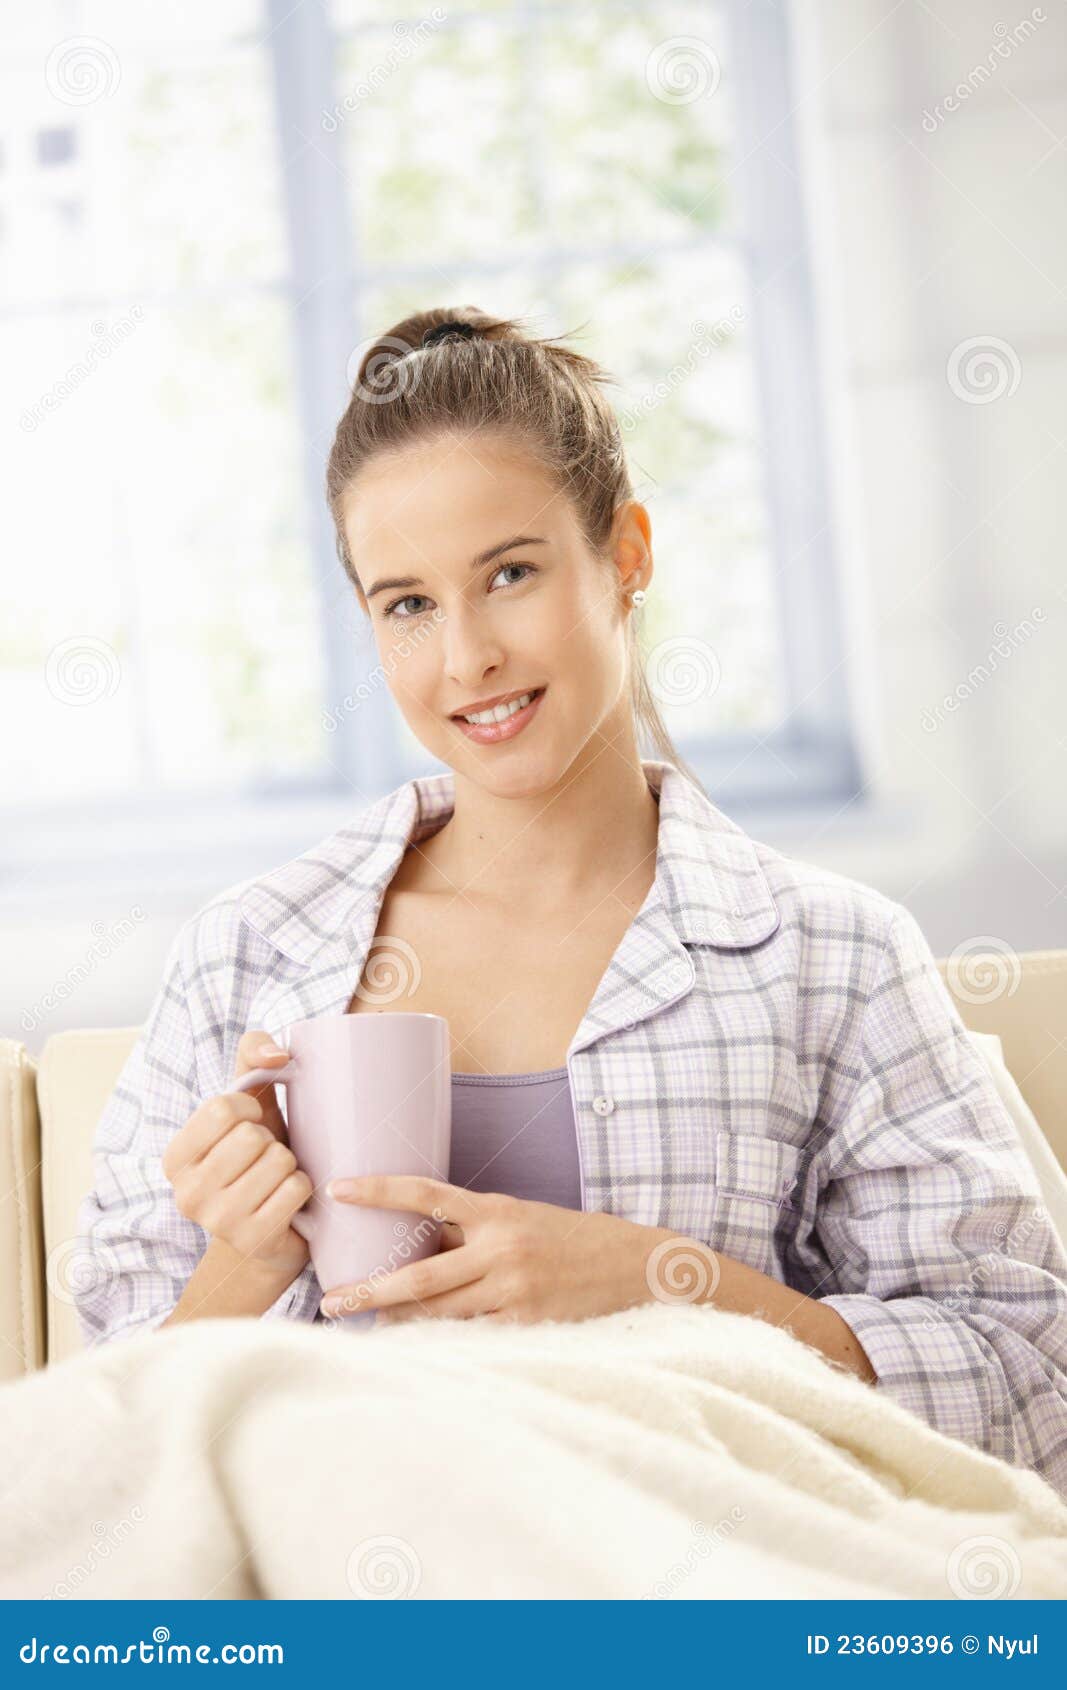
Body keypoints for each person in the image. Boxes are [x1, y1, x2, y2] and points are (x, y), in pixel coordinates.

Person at [75, 308, 1067, 1498]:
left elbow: (1027, 1381)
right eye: (408, 604)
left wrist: (668, 1288)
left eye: (509, 574)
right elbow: (104, 1473)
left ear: (626, 554)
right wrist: (244, 1263)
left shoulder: (829, 956)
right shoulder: (248, 955)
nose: (467, 659)